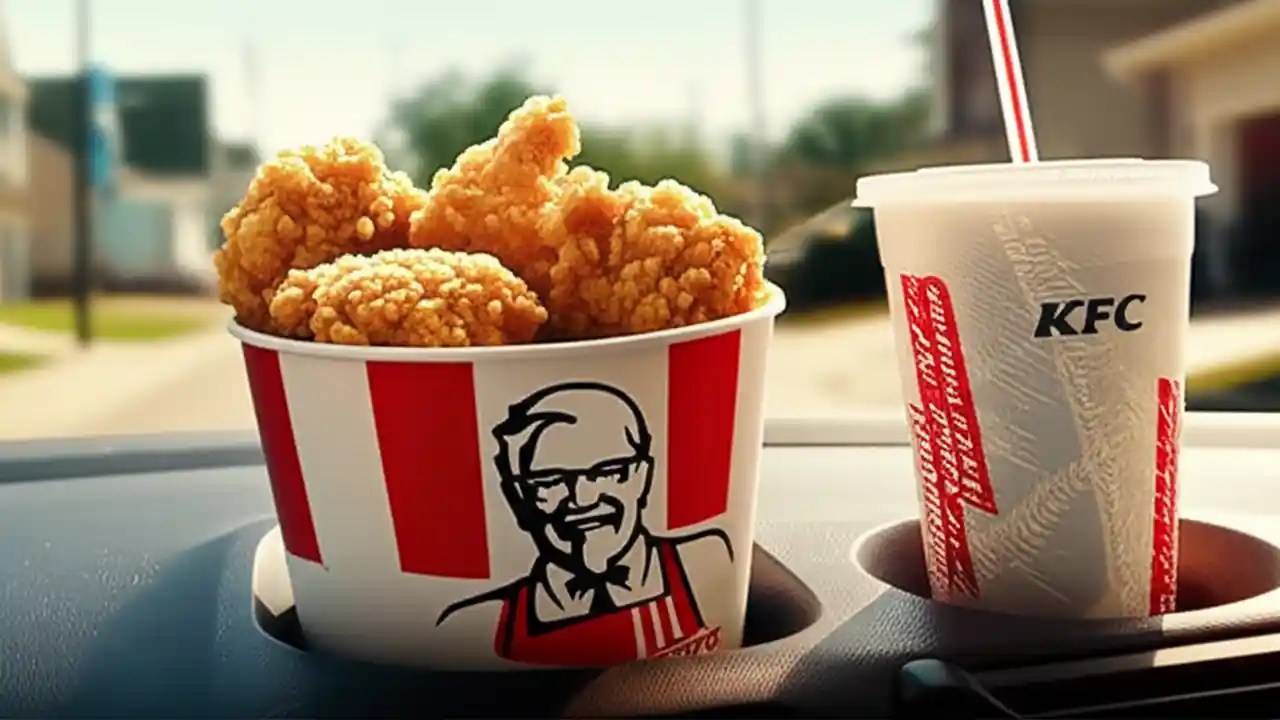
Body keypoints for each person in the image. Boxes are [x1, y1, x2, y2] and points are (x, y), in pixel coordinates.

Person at [437, 382, 733, 665]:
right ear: (517, 496)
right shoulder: (481, 621)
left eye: (608, 471)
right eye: (550, 480)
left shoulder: (703, 561)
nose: (583, 499)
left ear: (642, 477)